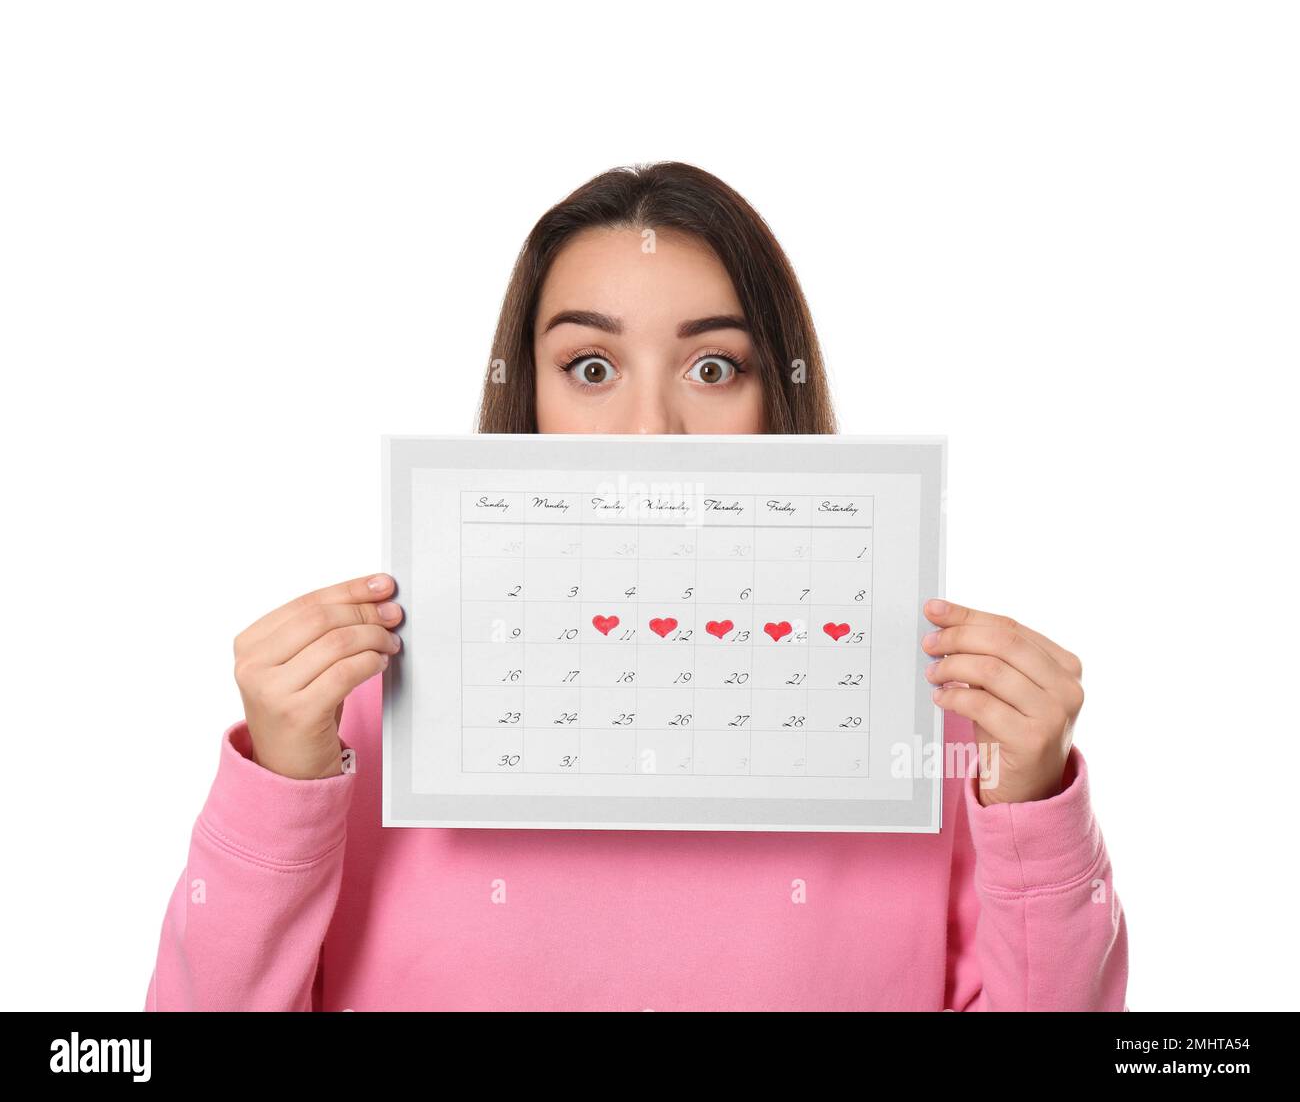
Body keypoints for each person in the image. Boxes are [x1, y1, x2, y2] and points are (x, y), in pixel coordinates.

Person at [145, 162, 1128, 1011]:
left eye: (713, 367)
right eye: (590, 366)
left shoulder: (932, 721)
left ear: (777, 394)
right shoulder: (364, 711)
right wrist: (280, 783)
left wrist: (1032, 805)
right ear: (528, 395)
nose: (651, 428)